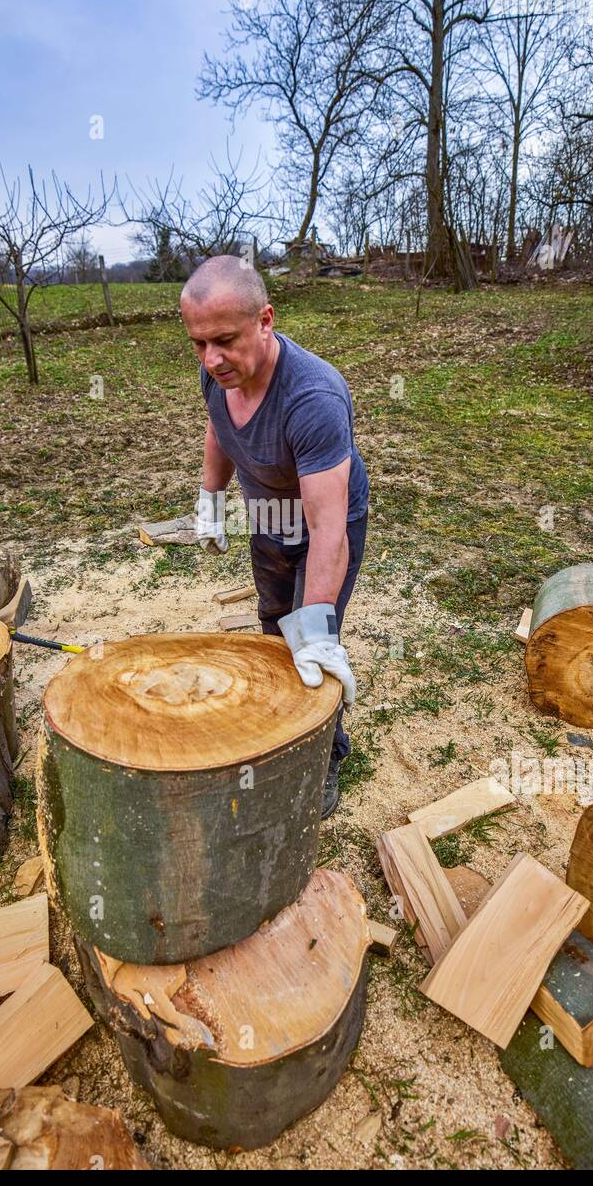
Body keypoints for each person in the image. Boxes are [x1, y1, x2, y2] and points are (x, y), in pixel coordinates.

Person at [180, 254, 369, 817]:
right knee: (270, 628)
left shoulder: (314, 398)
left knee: (310, 644)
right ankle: (271, 732)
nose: (212, 359)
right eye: (198, 343)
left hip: (325, 525)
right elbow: (218, 424)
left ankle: (326, 754)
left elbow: (328, 527)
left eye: (225, 340)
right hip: (268, 519)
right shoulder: (218, 372)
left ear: (265, 320)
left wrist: (316, 622)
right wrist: (211, 497)